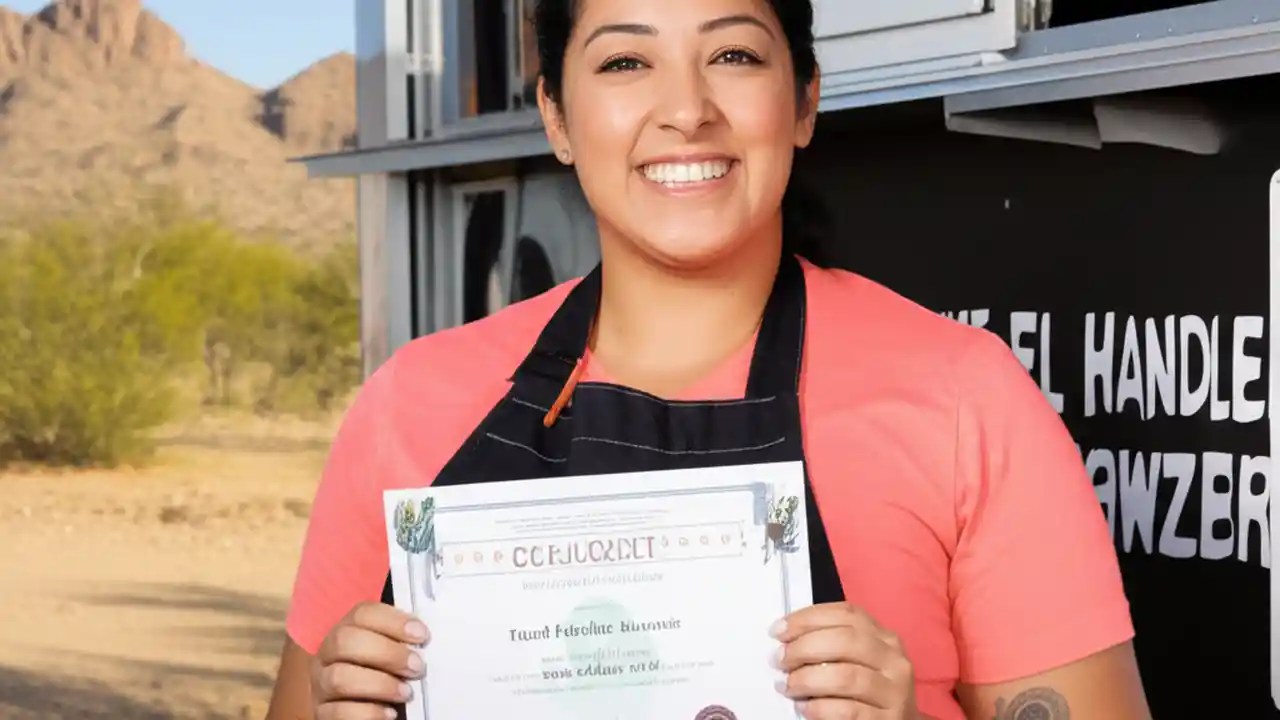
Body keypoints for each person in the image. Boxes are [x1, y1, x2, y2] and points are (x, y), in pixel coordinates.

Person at [266, 1, 1153, 718]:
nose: (686, 109)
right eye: (625, 62)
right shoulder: (411, 401)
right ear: (557, 116)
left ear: (804, 100)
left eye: (733, 55)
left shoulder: (964, 396)